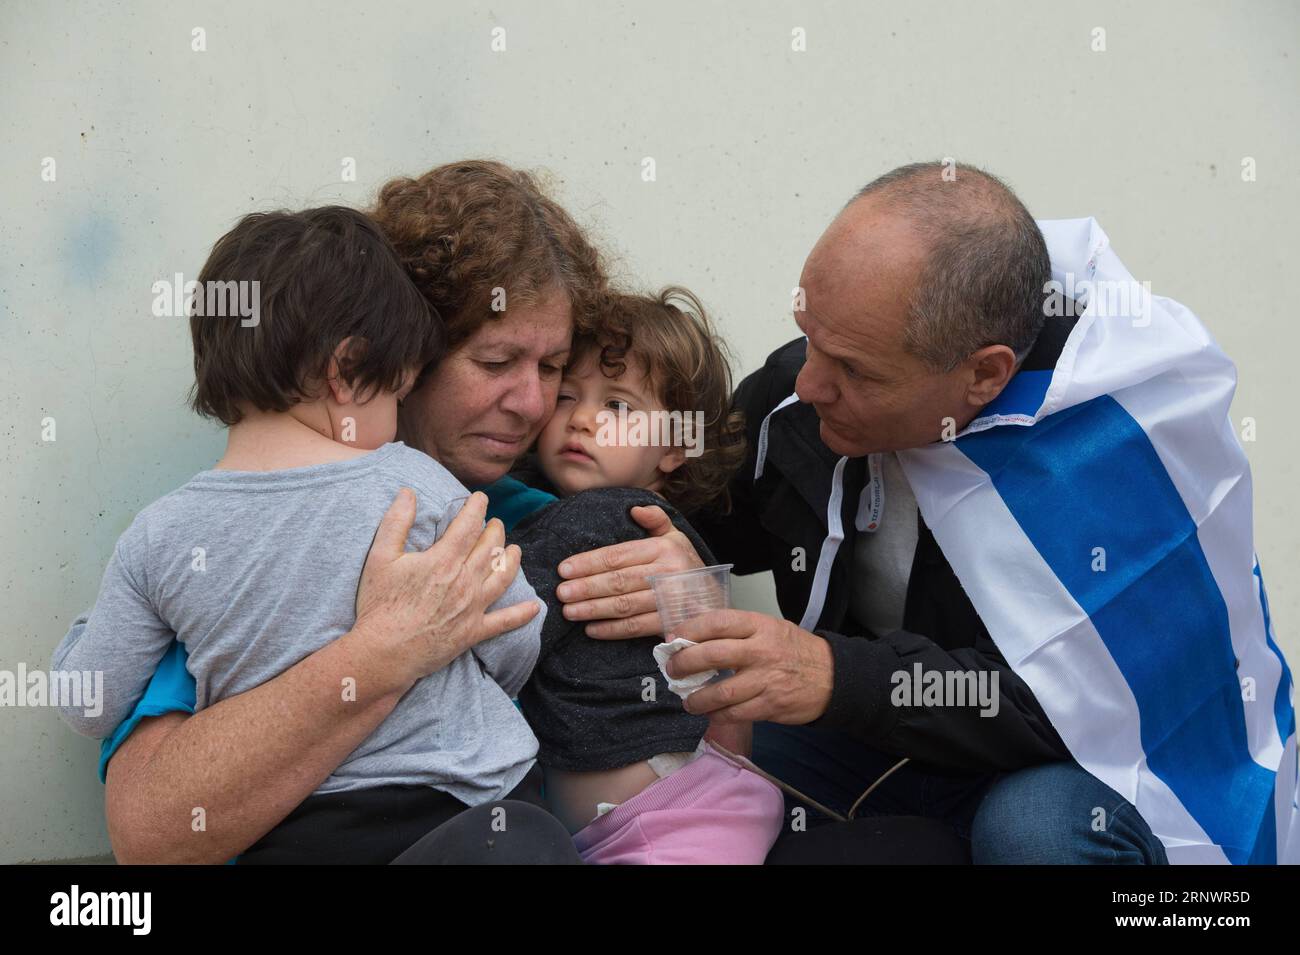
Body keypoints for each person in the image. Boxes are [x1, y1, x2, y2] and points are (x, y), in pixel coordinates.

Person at [552, 160, 1298, 864]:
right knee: (675, 753)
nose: (809, 382)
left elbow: (1081, 703)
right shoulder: (804, 388)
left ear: (984, 374)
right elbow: (702, 504)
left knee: (1032, 828)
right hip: (880, 733)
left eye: (854, 370)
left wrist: (835, 674)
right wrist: (672, 550)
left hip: (1076, 764)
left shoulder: (1122, 453)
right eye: (810, 337)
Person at [84, 160, 611, 864]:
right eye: (494, 362)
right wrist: (379, 653)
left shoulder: (553, 513)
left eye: (551, 368)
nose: (532, 403)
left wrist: (673, 575)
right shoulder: (226, 547)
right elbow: (153, 834)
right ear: (398, 360)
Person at [505, 288, 785, 863]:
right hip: (690, 802)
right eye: (565, 397)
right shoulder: (664, 529)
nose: (582, 419)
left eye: (619, 408)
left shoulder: (602, 516)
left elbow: (499, 621)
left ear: (677, 446)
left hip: (669, 819)